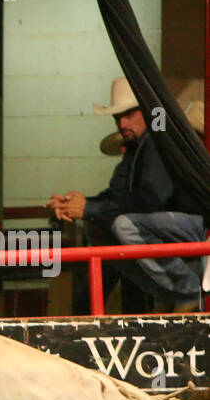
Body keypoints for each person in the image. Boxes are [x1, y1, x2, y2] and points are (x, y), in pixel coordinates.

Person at [48, 77, 204, 313]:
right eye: (117, 117)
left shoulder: (161, 140)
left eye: (129, 114)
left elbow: (149, 200)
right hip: (167, 225)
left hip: (198, 224)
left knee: (123, 224)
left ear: (146, 111)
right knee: (99, 225)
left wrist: (89, 208)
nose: (122, 123)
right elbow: (119, 195)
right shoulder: (137, 148)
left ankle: (189, 290)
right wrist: (81, 205)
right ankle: (166, 292)